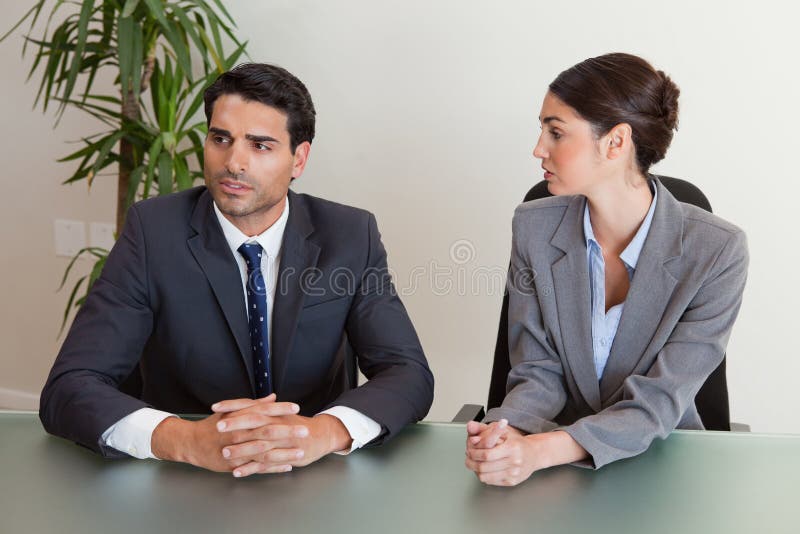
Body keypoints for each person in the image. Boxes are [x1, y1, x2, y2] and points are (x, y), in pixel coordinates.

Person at [40, 63, 434, 478]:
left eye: (260, 145)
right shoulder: (153, 232)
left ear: (298, 159)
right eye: (220, 139)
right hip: (183, 476)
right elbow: (70, 385)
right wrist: (185, 440)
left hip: (316, 474)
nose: (233, 162)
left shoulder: (350, 235)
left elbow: (407, 373)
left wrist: (322, 433)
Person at [464, 53, 748, 486]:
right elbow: (537, 369)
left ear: (615, 143)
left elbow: (659, 399)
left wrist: (539, 450)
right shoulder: (533, 227)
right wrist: (506, 435)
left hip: (661, 469)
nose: (538, 148)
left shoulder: (718, 250)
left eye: (555, 132)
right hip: (552, 476)